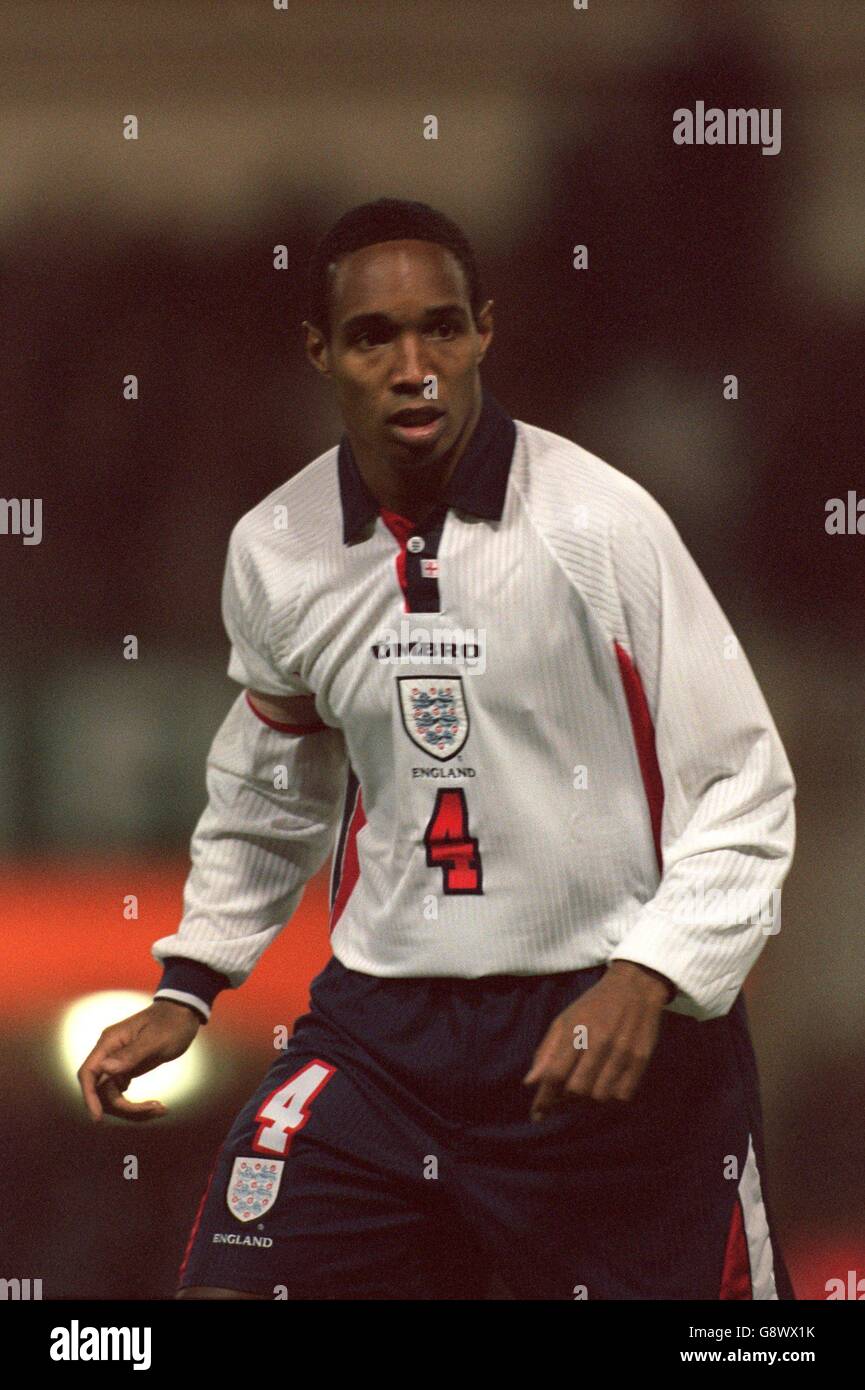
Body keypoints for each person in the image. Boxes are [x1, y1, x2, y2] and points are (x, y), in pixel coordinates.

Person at [78, 197, 796, 1301]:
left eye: (443, 329)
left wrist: (646, 978)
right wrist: (190, 984)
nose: (415, 365)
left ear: (484, 333)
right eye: (374, 336)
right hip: (384, 1037)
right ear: (319, 351)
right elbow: (271, 792)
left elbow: (745, 785)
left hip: (605, 1037)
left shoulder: (601, 525)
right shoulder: (274, 550)